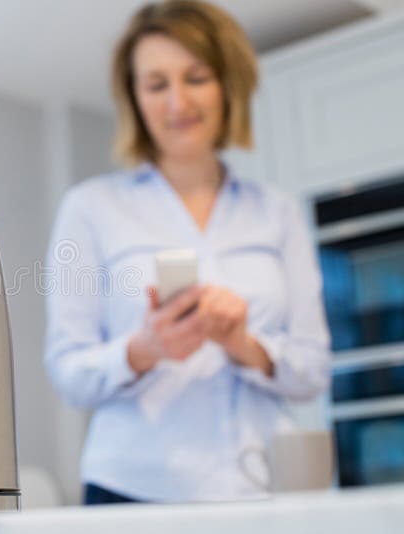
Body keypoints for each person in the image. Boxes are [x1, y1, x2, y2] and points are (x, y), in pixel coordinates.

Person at [43, 0, 331, 504]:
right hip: (133, 491)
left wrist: (247, 345)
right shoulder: (90, 207)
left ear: (227, 84)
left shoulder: (277, 212)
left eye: (195, 77)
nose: (177, 102)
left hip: (262, 487)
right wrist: (145, 349)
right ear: (135, 98)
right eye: (156, 84)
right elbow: (68, 373)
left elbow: (312, 370)